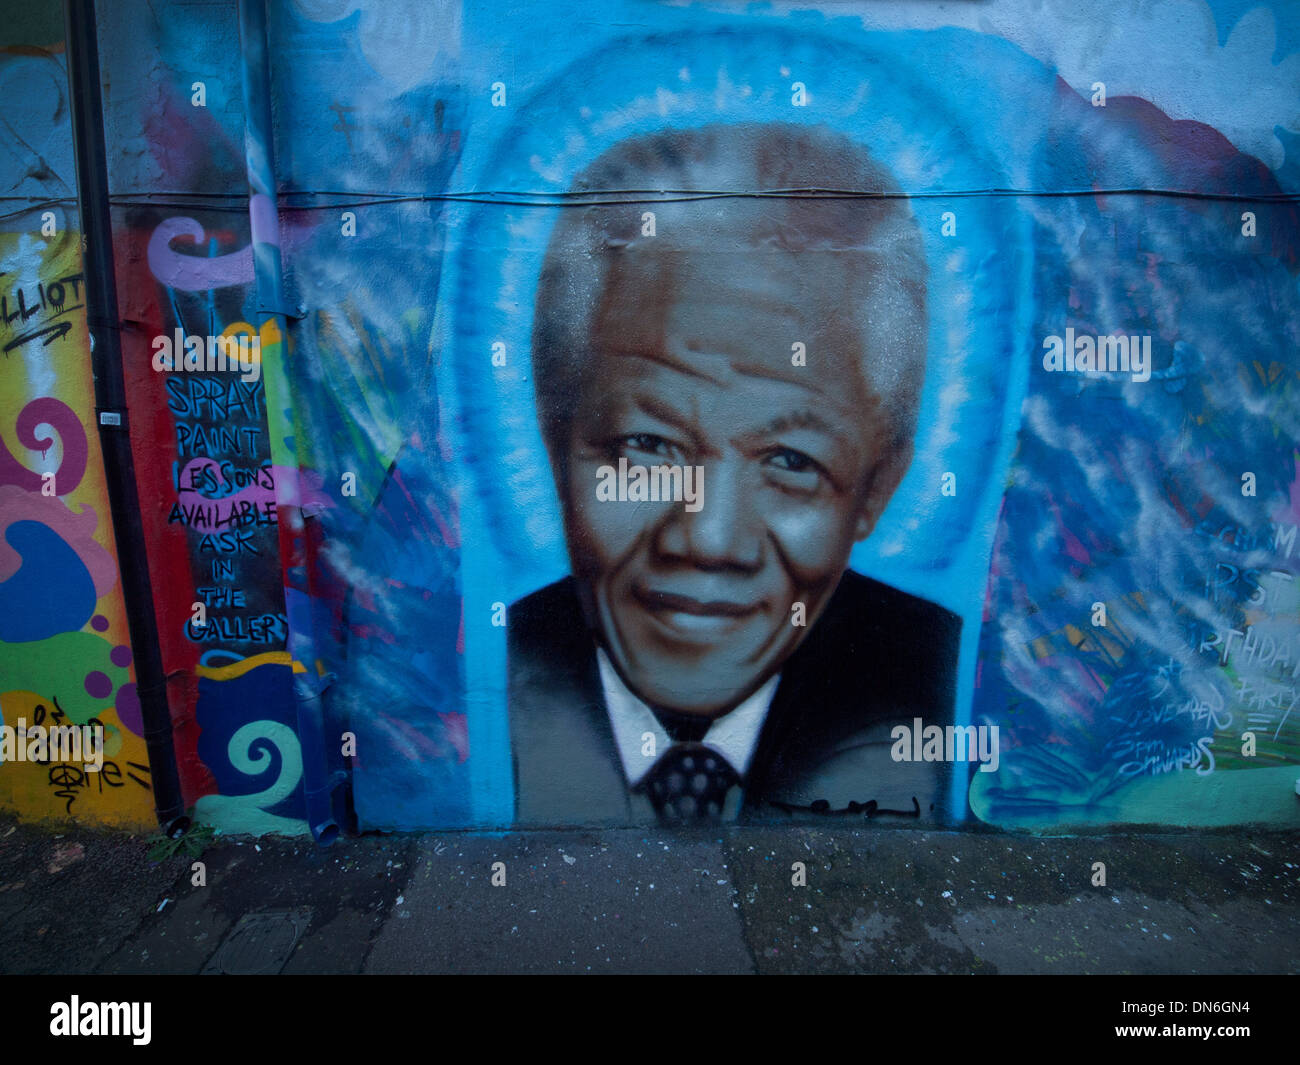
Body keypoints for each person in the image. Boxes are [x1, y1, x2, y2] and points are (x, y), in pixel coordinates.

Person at [508, 122, 961, 825]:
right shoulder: (450, 679)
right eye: (645, 444)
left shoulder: (953, 684)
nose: (709, 537)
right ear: (553, 436)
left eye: (791, 462)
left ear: (876, 487)